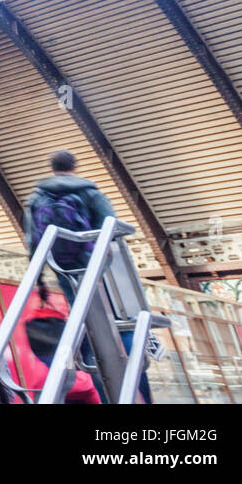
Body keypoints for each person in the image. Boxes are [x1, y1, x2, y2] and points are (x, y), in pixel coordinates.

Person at [23, 150, 152, 403]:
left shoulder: (37, 197)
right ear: (74, 166)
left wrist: (38, 279)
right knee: (117, 325)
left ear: (52, 168)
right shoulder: (89, 192)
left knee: (87, 326)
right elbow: (111, 226)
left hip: (64, 269)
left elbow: (32, 239)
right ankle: (134, 393)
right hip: (97, 269)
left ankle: (104, 388)